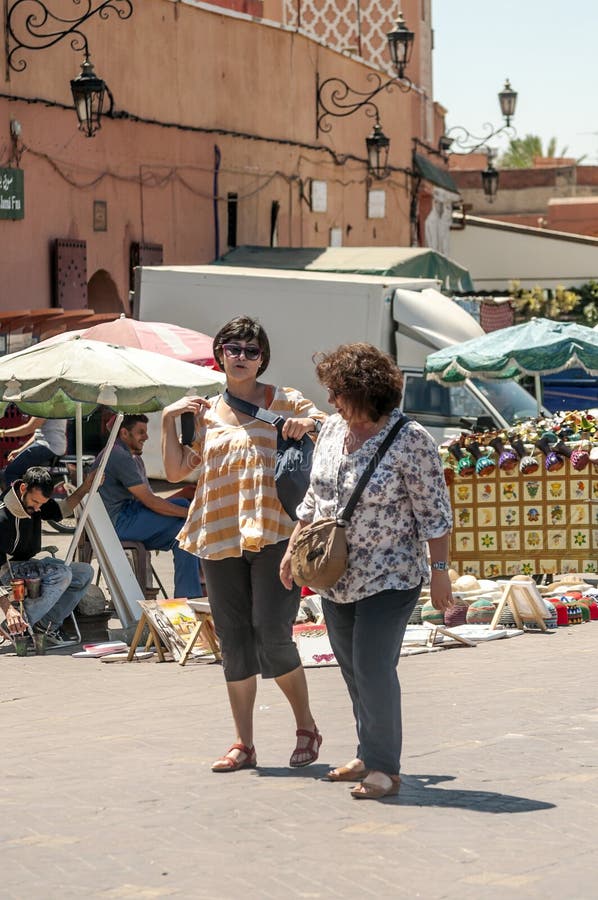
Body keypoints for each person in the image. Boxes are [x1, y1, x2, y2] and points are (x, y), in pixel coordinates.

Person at [280, 342, 454, 800]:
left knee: (374, 667)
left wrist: (440, 572)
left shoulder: (412, 439)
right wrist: (294, 547)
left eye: (339, 392)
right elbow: (316, 499)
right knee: (353, 668)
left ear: (365, 392)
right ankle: (365, 751)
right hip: (335, 576)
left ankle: (383, 768)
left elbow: (435, 514)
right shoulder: (333, 431)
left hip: (391, 575)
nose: (332, 402)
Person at [162, 315, 325, 772]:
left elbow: (326, 427)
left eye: (251, 351)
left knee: (272, 636)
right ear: (220, 354)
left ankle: (306, 726)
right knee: (234, 642)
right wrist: (169, 422)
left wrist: (301, 424)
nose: (241, 357)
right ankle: (243, 743)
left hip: (276, 534)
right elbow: (176, 472)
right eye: (232, 348)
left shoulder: (283, 399)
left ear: (262, 359)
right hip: (219, 535)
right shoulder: (206, 412)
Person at [93, 414, 202, 599]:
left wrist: (185, 505)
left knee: (184, 531)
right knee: (187, 524)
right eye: (140, 432)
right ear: (124, 433)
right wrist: (189, 514)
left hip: (127, 516)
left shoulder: (132, 457)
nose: (146, 437)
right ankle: (190, 597)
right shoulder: (119, 456)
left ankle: (189, 596)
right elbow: (150, 502)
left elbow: (151, 499)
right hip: (117, 524)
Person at [0, 466, 95, 646]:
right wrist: (8, 610)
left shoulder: (37, 502)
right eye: (35, 502)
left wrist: (86, 487)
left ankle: (45, 626)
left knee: (84, 572)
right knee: (62, 574)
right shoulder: (2, 516)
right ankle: (14, 626)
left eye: (42, 504)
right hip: (6, 572)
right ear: (22, 489)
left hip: (27, 565)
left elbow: (63, 509)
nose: (38, 509)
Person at [1, 416, 68, 486]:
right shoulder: (56, 406)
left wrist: (3, 433)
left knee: (11, 471)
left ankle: (13, 496)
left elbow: (28, 428)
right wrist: (20, 450)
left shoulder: (43, 407)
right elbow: (38, 435)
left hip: (47, 446)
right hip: (57, 447)